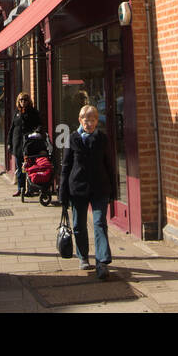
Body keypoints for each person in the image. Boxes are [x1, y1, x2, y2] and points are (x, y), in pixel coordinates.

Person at [58, 105, 117, 280]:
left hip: (100, 187)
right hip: (78, 188)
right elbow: (66, 167)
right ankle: (83, 255)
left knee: (100, 223)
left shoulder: (102, 139)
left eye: (92, 120)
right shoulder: (72, 139)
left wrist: (113, 190)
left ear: (97, 121)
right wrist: (63, 193)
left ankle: (102, 262)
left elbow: (110, 165)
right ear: (80, 120)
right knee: (78, 225)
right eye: (86, 120)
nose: (89, 124)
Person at [7, 92, 42, 197]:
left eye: (25, 100)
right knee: (19, 168)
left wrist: (36, 132)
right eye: (21, 100)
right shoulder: (17, 113)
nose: (23, 102)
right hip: (17, 144)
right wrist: (9, 142)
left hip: (29, 144)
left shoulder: (33, 112)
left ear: (28, 101)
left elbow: (39, 124)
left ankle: (30, 189)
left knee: (30, 167)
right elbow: (12, 128)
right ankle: (20, 188)